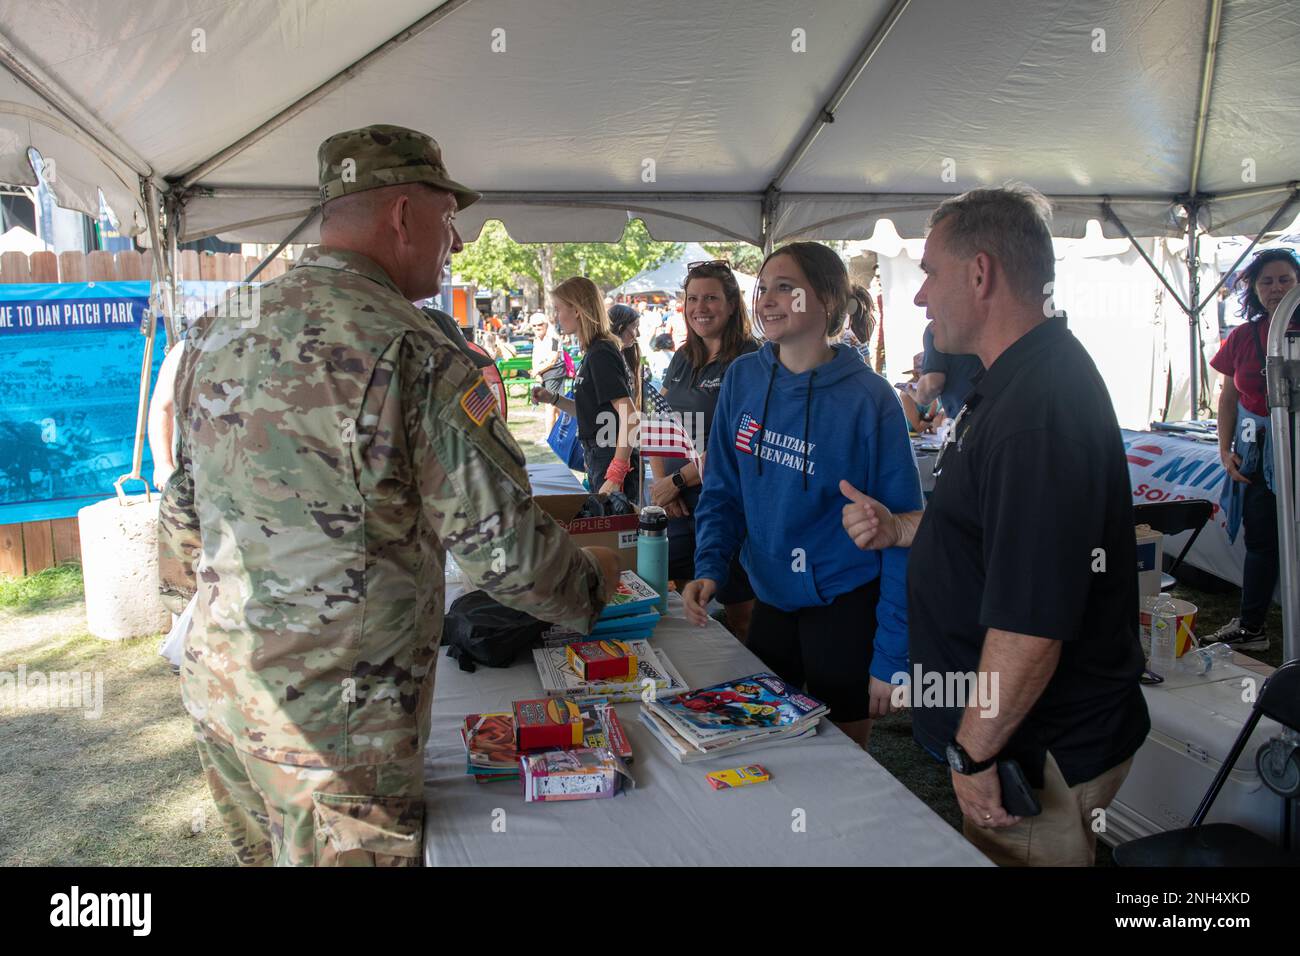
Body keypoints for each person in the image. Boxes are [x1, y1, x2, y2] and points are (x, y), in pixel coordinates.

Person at [157, 124, 620, 867]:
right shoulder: (416, 350)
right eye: (448, 217)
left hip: (226, 696)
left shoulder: (220, 328)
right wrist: (595, 581)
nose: (456, 242)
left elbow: (183, 514)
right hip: (336, 733)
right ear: (403, 214)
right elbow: (507, 554)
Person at [840, 184, 1149, 866]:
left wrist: (974, 749)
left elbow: (1032, 628)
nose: (919, 297)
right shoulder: (1013, 381)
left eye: (928, 273)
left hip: (1035, 746)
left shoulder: (1037, 408)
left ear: (980, 275)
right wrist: (900, 530)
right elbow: (987, 530)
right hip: (1018, 734)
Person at [683, 243, 921, 749]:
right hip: (771, 598)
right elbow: (723, 489)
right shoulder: (744, 379)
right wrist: (710, 566)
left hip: (844, 601)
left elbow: (903, 528)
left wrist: (891, 656)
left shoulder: (871, 399)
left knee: (845, 758)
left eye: (785, 288)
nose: (767, 300)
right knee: (767, 748)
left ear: (828, 301)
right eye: (762, 288)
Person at [648, 260, 759, 642]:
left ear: (731, 303)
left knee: (740, 613)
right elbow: (657, 421)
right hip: (677, 505)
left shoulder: (750, 360)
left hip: (728, 504)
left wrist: (677, 480)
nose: (700, 307)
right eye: (692, 298)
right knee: (675, 603)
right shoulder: (682, 357)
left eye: (711, 297)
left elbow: (737, 441)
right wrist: (663, 483)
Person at [1207, 247, 1300, 651]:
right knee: (1261, 541)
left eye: (1285, 280)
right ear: (1254, 288)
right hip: (1258, 457)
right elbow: (1227, 398)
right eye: (1267, 281)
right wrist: (1224, 450)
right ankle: (1252, 629)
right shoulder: (1244, 337)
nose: (1276, 288)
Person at [531, 278, 639, 500]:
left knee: (614, 531)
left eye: (559, 308)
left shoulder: (601, 353)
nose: (557, 316)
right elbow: (591, 411)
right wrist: (553, 399)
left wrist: (616, 473)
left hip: (610, 457)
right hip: (598, 456)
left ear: (577, 311)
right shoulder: (593, 351)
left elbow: (630, 417)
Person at [910, 320, 984, 417]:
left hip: (967, 414)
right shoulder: (992, 320)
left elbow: (932, 385)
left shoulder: (936, 328)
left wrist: (912, 392)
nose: (928, 314)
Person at [147, 341, 185, 491]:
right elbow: (162, 407)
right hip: (203, 477)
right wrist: (163, 464)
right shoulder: (189, 347)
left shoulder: (262, 342)